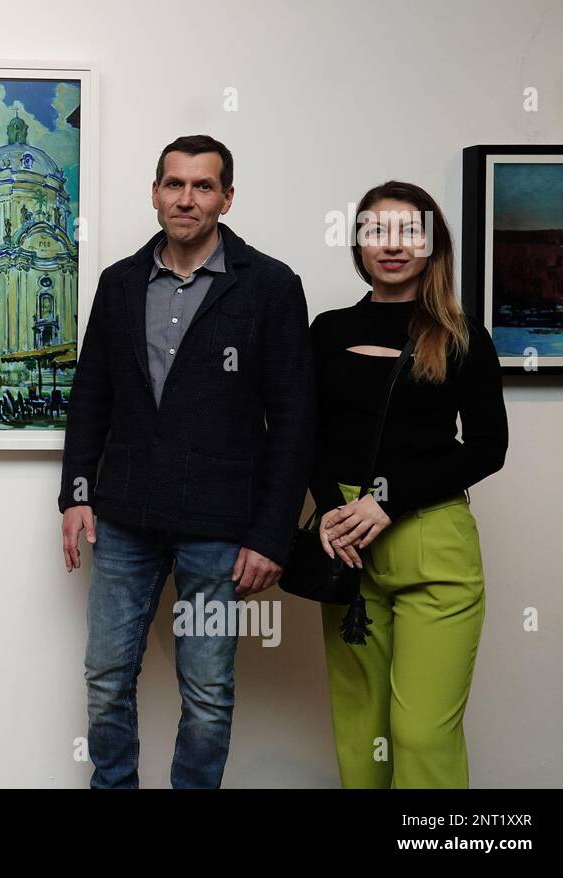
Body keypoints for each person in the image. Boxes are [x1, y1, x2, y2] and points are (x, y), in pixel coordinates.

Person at [58, 135, 315, 788]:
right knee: (107, 675)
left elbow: (294, 422)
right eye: (174, 184)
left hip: (220, 524)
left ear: (227, 198)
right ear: (154, 193)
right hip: (124, 516)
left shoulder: (271, 287)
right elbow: (92, 395)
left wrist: (271, 534)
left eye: (203, 186)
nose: (186, 198)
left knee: (206, 691)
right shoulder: (119, 283)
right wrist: (76, 495)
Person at [309, 180, 508, 788]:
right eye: (376, 231)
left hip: (434, 546)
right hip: (345, 545)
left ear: (432, 245)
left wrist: (387, 500)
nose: (392, 246)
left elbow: (487, 447)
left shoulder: (462, 335)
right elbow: (302, 433)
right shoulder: (327, 329)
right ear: (358, 245)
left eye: (409, 231)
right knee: (361, 729)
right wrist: (327, 509)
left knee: (422, 731)